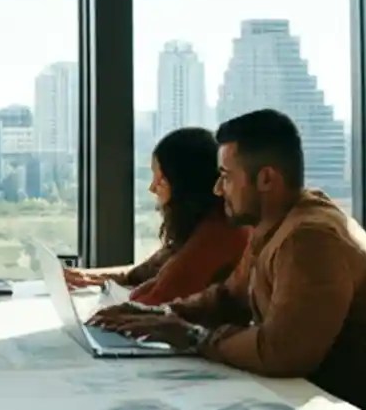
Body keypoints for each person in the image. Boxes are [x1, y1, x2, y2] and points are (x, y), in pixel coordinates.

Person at [90, 109, 366, 410]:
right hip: (326, 405)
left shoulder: (311, 238)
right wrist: (167, 314)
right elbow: (228, 296)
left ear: (266, 179)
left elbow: (281, 353)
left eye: (225, 176)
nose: (217, 190)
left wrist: (194, 337)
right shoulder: (275, 226)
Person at [63, 127, 249, 305]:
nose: (152, 188)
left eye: (160, 180)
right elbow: (142, 273)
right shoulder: (201, 227)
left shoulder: (215, 237)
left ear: (184, 186)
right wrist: (84, 277)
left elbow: (157, 296)